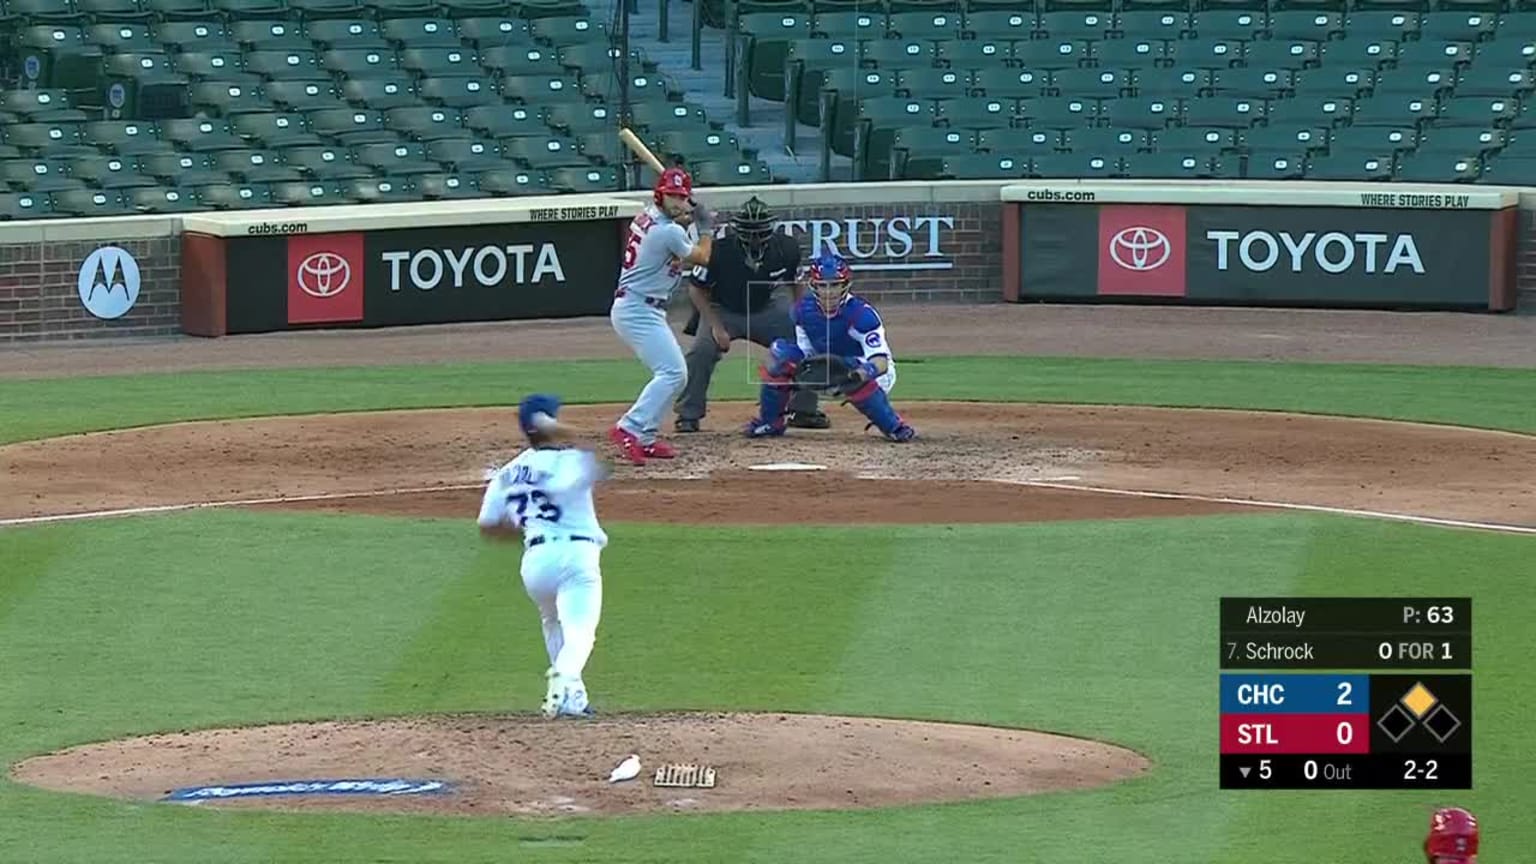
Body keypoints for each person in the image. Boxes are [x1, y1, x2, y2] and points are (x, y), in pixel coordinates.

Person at [477, 393, 611, 719]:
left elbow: (488, 525)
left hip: (536, 560)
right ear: (549, 422)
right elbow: (600, 466)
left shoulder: (506, 473)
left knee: (553, 623)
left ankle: (571, 700)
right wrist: (569, 434)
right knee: (580, 632)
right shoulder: (571, 460)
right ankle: (563, 677)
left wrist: (524, 526)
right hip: (576, 556)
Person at [672, 196, 828, 433]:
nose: (755, 238)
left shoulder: (786, 247)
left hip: (767, 307)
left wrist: (802, 319)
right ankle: (688, 414)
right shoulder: (718, 250)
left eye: (760, 232)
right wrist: (716, 326)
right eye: (749, 232)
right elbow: (696, 289)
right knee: (700, 352)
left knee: (808, 344)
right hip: (723, 309)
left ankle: (804, 410)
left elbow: (796, 284)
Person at [745, 252, 917, 442]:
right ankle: (770, 423)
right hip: (826, 370)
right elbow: (806, 351)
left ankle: (895, 427)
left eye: (835, 285)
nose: (829, 291)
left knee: (852, 372)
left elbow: (881, 362)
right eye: (822, 286)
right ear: (814, 286)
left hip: (870, 374)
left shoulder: (861, 315)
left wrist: (856, 374)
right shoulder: (803, 311)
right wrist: (781, 356)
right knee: (782, 357)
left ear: (845, 285)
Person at [609, 166, 714, 466]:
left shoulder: (650, 217)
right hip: (637, 309)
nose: (677, 201)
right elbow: (702, 256)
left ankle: (646, 437)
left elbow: (672, 237)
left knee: (673, 373)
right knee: (673, 373)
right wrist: (705, 228)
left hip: (642, 307)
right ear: (660, 194)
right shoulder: (668, 231)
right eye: (672, 195)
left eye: (682, 196)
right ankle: (629, 427)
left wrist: (687, 219)